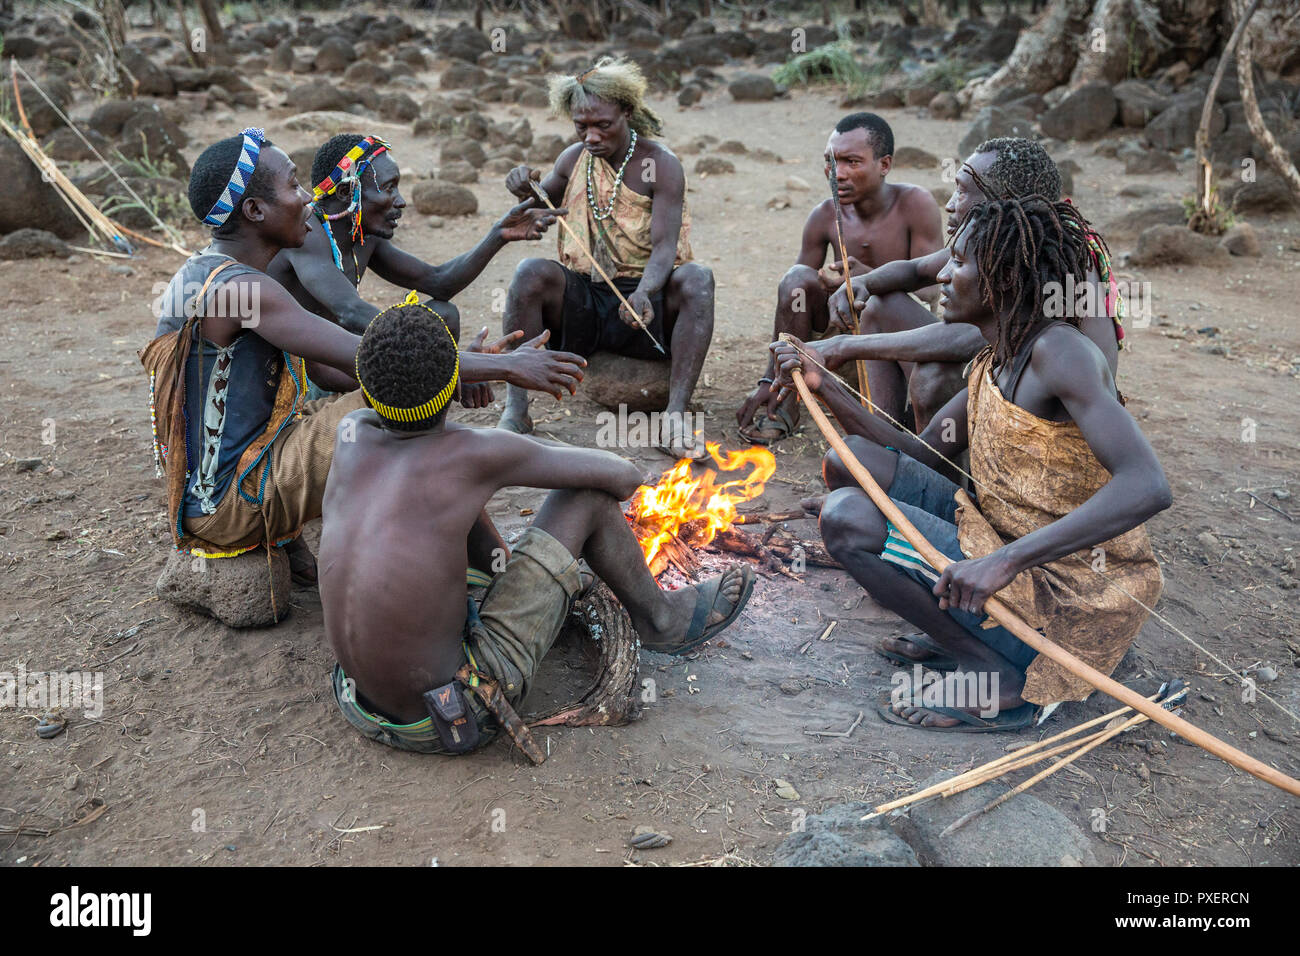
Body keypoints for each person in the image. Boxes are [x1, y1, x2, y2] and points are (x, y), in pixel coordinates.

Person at [771, 195, 1169, 731]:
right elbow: (917, 452)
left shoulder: (1060, 354)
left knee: (847, 517)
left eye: (958, 264)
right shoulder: (994, 355)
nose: (941, 278)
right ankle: (972, 639)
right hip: (998, 540)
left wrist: (1003, 562)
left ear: (1002, 279)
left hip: (1068, 592)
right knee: (855, 460)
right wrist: (824, 385)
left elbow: (1148, 485)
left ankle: (999, 674)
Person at [144, 128, 588, 586]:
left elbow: (332, 369)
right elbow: (374, 356)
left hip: (219, 492)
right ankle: (499, 574)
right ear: (255, 210)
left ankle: (479, 565)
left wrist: (453, 368)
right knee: (403, 421)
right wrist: (506, 366)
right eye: (294, 185)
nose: (309, 200)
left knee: (393, 400)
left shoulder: (211, 272)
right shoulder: (243, 290)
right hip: (229, 501)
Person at [320, 297, 755, 755]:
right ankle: (662, 620)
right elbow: (623, 477)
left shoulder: (352, 432)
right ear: (454, 385)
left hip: (362, 703)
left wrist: (457, 383)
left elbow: (420, 453)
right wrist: (486, 414)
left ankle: (500, 576)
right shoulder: (475, 453)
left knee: (443, 508)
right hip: (453, 714)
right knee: (585, 497)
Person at [801, 137, 1125, 434]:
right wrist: (862, 282)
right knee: (880, 304)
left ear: (1005, 201)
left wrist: (843, 346)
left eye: (964, 191)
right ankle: (883, 441)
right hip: (1006, 380)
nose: (951, 204)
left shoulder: (1047, 257)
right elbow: (916, 270)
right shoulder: (1005, 237)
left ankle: (941, 483)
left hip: (1043, 424)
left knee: (934, 379)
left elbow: (963, 339)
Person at [496, 56, 714, 459]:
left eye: (603, 125)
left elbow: (666, 247)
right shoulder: (572, 159)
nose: (591, 136)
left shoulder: (660, 165)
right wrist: (521, 187)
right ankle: (516, 410)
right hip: (590, 300)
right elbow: (541, 200)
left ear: (626, 112)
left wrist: (646, 291)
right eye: (582, 126)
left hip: (649, 301)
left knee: (699, 279)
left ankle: (676, 416)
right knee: (530, 273)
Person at [267, 132, 565, 407]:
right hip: (301, 374)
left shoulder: (363, 236)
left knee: (443, 315)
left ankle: (436, 384)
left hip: (342, 356)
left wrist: (498, 234)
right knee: (378, 363)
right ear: (347, 193)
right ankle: (439, 383)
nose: (401, 201)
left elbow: (439, 283)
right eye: (388, 188)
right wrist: (452, 361)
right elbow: (350, 312)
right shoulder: (305, 234)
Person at [736, 112, 944, 445]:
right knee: (797, 279)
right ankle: (785, 402)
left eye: (852, 162)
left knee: (884, 304)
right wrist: (766, 379)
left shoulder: (914, 205)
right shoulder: (824, 216)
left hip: (893, 345)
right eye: (831, 161)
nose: (838, 174)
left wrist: (870, 279)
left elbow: (933, 289)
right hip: (834, 349)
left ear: (884, 164)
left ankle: (888, 427)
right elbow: (794, 297)